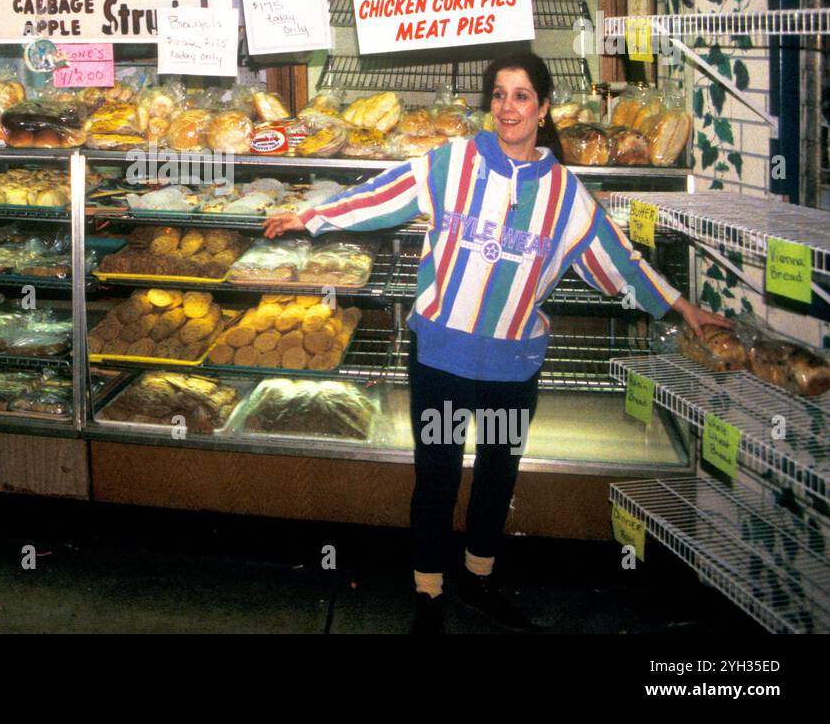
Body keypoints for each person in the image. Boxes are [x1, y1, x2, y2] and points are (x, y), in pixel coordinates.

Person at [264, 52, 728, 634]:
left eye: (522, 95)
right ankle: (428, 597)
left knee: (495, 477)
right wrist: (312, 215)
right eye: (501, 94)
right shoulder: (451, 162)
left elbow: (618, 259)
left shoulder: (565, 192)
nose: (509, 107)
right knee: (436, 477)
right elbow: (381, 194)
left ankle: (480, 582)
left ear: (543, 107)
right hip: (441, 357)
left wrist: (681, 305)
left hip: (512, 364)